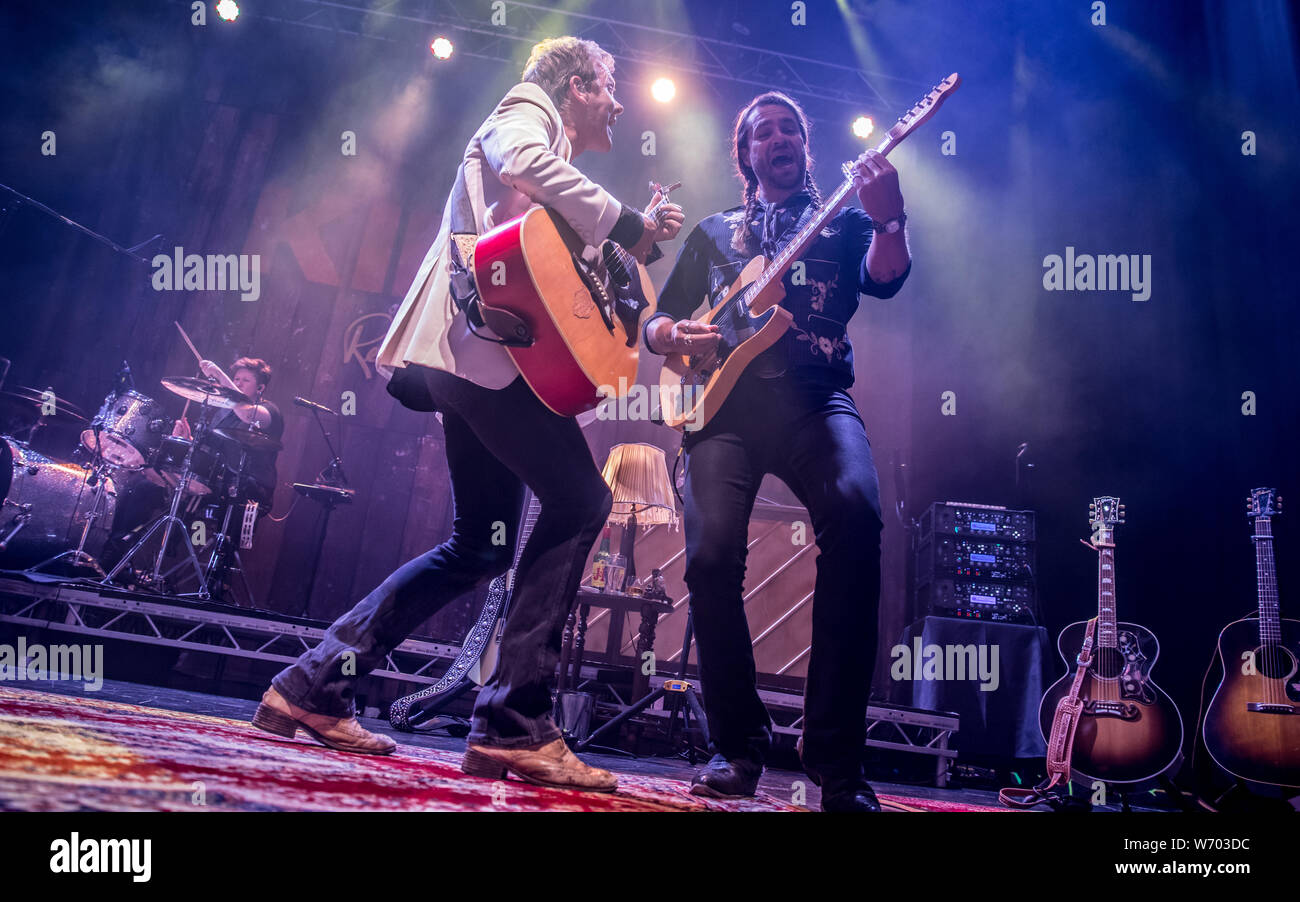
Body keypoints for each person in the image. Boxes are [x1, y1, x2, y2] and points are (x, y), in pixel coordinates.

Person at [249, 37, 683, 793]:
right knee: (582, 500)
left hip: (471, 360)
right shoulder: (528, 110)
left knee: (481, 544)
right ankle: (515, 726)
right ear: (578, 86)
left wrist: (629, 234)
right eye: (611, 89)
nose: (618, 104)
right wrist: (622, 221)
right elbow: (521, 164)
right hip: (483, 357)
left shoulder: (554, 155)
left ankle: (313, 686)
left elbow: (549, 249)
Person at [642, 91, 911, 811]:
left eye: (790, 127)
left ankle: (838, 766)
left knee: (857, 519)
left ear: (806, 146)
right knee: (707, 559)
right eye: (763, 132)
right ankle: (739, 748)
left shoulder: (846, 219)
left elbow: (887, 276)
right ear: (746, 154)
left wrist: (889, 214)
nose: (779, 138)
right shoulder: (712, 232)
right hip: (721, 409)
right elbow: (656, 320)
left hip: (815, 396)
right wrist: (672, 337)